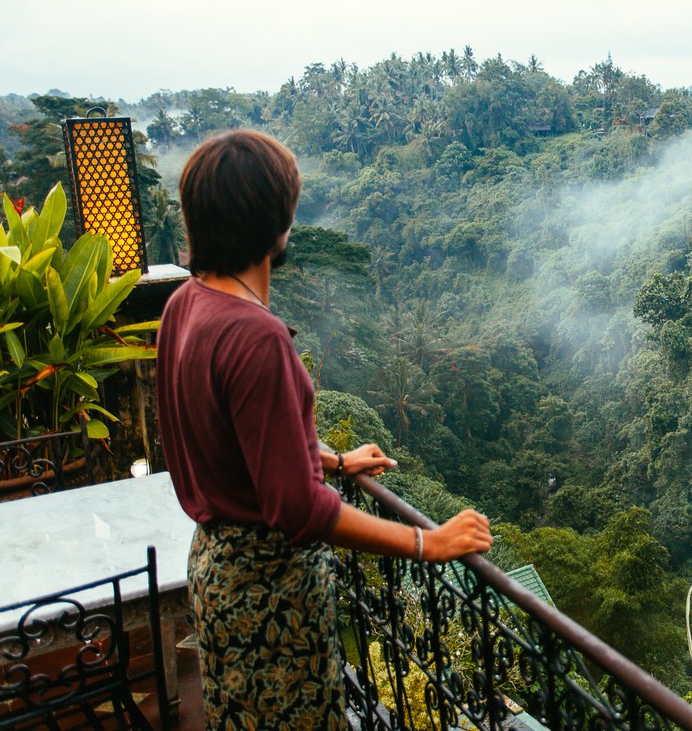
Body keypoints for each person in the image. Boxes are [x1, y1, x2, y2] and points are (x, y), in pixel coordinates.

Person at [156, 129, 492, 730]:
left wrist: (331, 461)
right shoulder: (255, 336)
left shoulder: (186, 304)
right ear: (276, 226)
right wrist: (428, 543)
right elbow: (297, 508)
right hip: (269, 593)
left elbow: (241, 440)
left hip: (215, 571)